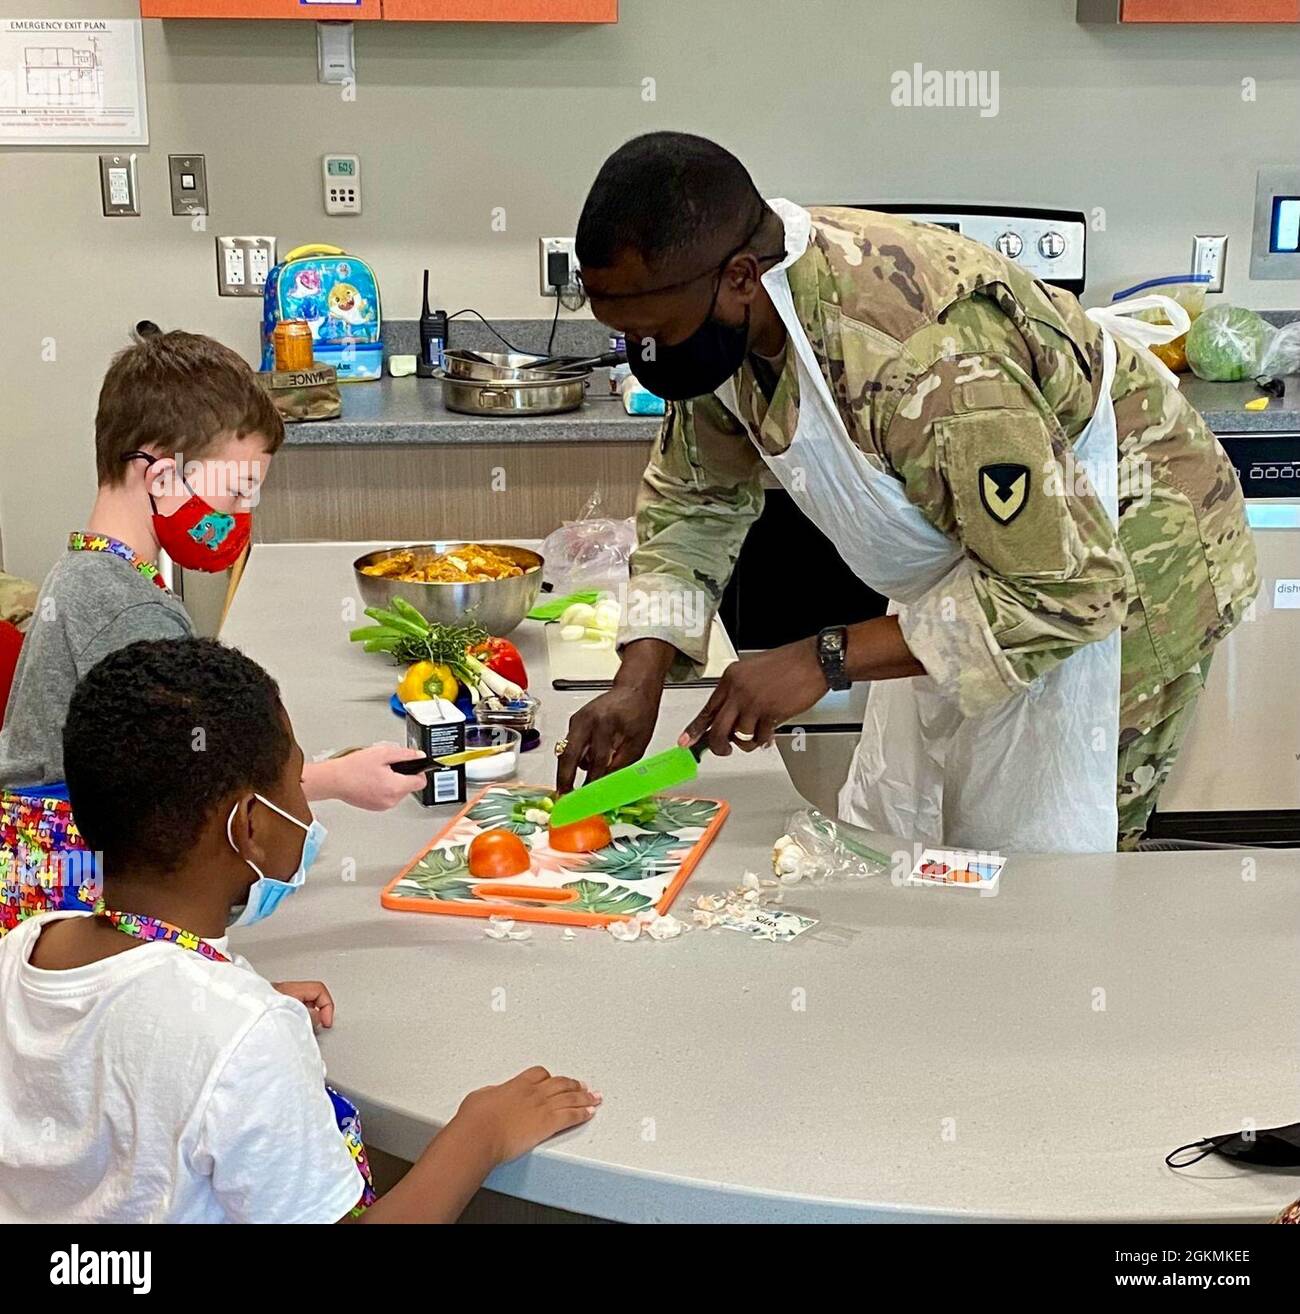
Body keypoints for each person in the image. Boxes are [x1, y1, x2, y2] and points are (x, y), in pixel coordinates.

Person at [559, 132, 1258, 853]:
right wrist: (640, 672)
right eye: (625, 336)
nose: (646, 354)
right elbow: (695, 497)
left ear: (740, 276)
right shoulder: (719, 322)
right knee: (920, 834)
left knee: (1045, 872)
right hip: (984, 553)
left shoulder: (926, 362)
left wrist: (820, 659)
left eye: (654, 331)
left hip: (1128, 545)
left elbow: (1062, 592)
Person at [0, 637, 599, 1223]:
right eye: (295, 782)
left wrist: (226, 1005)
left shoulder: (27, 945)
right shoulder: (242, 1037)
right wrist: (482, 1133)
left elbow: (127, 1039)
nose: (307, 810)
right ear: (251, 827)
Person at [0, 329, 424, 933]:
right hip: (73, 888)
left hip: (50, 869)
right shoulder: (127, 611)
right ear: (162, 478)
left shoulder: (92, 573)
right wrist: (335, 780)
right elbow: (177, 788)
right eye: (233, 495)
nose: (237, 521)